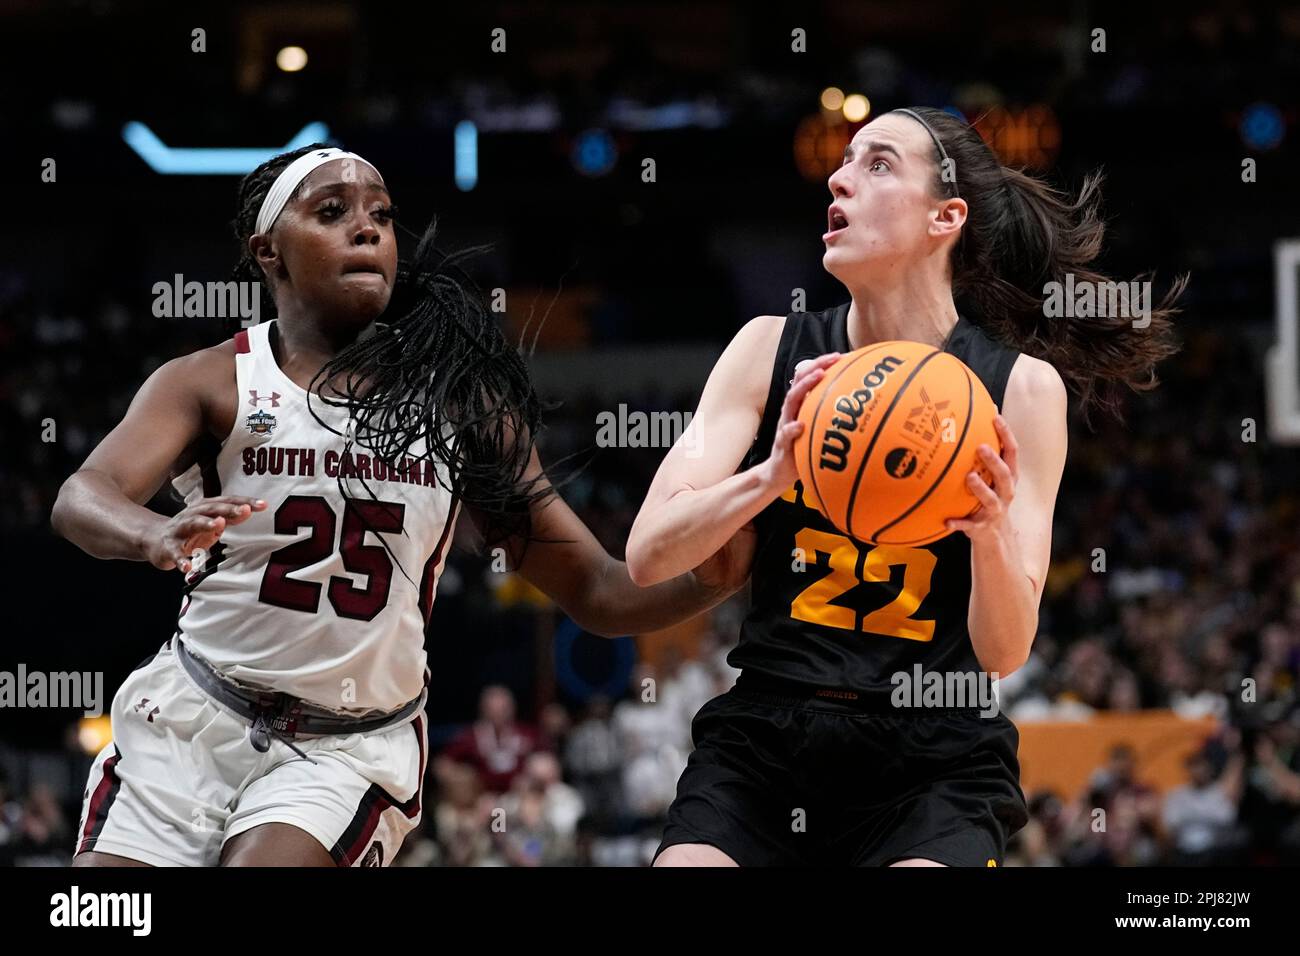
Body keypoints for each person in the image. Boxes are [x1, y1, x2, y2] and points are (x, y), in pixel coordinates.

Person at [52, 143, 752, 868]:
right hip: (192, 716)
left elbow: (595, 588)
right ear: (268, 252)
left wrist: (711, 578)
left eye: (382, 216)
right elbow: (82, 496)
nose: (368, 230)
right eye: (333, 212)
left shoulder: (459, 402)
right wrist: (152, 533)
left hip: (344, 747)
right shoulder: (210, 381)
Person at [627, 106, 1184, 866]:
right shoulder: (767, 348)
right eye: (845, 161)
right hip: (768, 740)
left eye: (878, 163)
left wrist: (988, 535)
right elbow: (648, 556)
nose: (839, 176)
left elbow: (1004, 651)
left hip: (932, 758)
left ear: (945, 215)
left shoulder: (1018, 389)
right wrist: (772, 474)